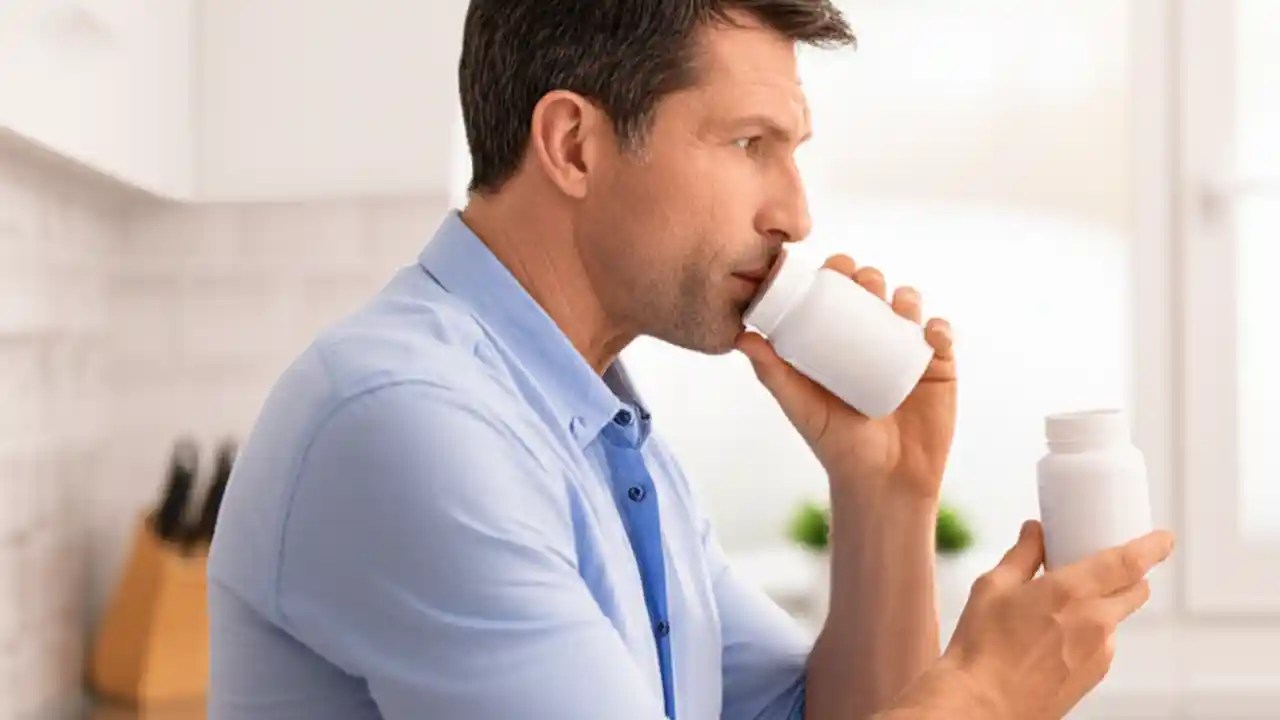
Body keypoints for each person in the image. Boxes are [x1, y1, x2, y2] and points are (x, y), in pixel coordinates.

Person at [207, 1, 1175, 718]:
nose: (793, 215)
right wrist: (984, 698)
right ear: (574, 145)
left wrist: (884, 494)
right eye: (749, 141)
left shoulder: (596, 432)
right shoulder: (406, 423)